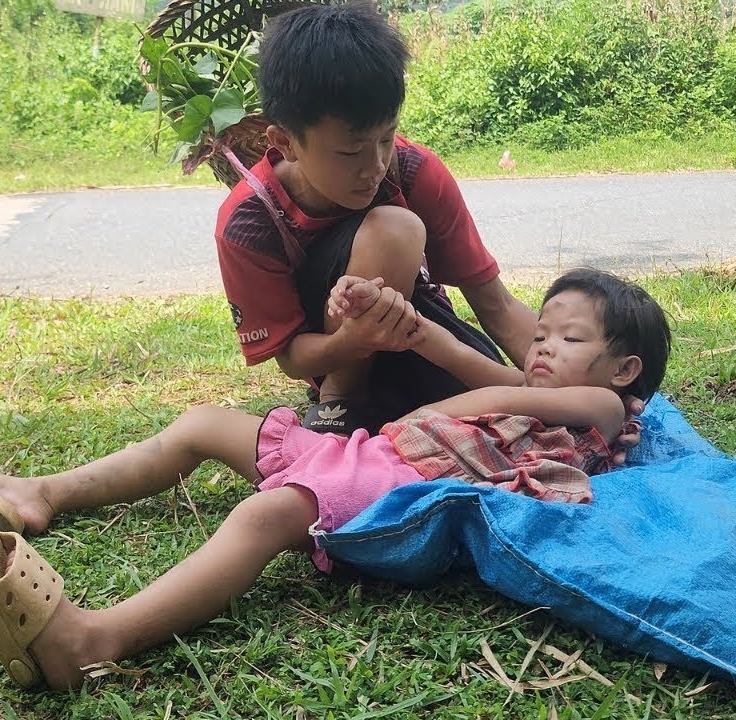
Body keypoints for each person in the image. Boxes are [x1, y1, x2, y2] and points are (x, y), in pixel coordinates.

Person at [0, 269, 671, 690]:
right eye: (538, 333)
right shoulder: (551, 388)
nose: (541, 348)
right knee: (202, 422)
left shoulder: (605, 405)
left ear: (625, 368)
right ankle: (39, 492)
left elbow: (500, 391)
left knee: (263, 517)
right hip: (378, 456)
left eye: (567, 338)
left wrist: (451, 389)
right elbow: (494, 377)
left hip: (401, 487)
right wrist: (431, 352)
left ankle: (91, 638)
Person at [217, 1, 545, 435]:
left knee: (509, 423)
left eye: (386, 138)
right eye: (350, 151)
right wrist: (349, 342)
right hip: (336, 358)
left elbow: (495, 303)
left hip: (420, 331)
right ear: (285, 142)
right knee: (394, 230)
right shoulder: (248, 223)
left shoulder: (415, 171)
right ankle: (340, 407)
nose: (374, 166)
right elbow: (293, 357)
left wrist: (562, 383)